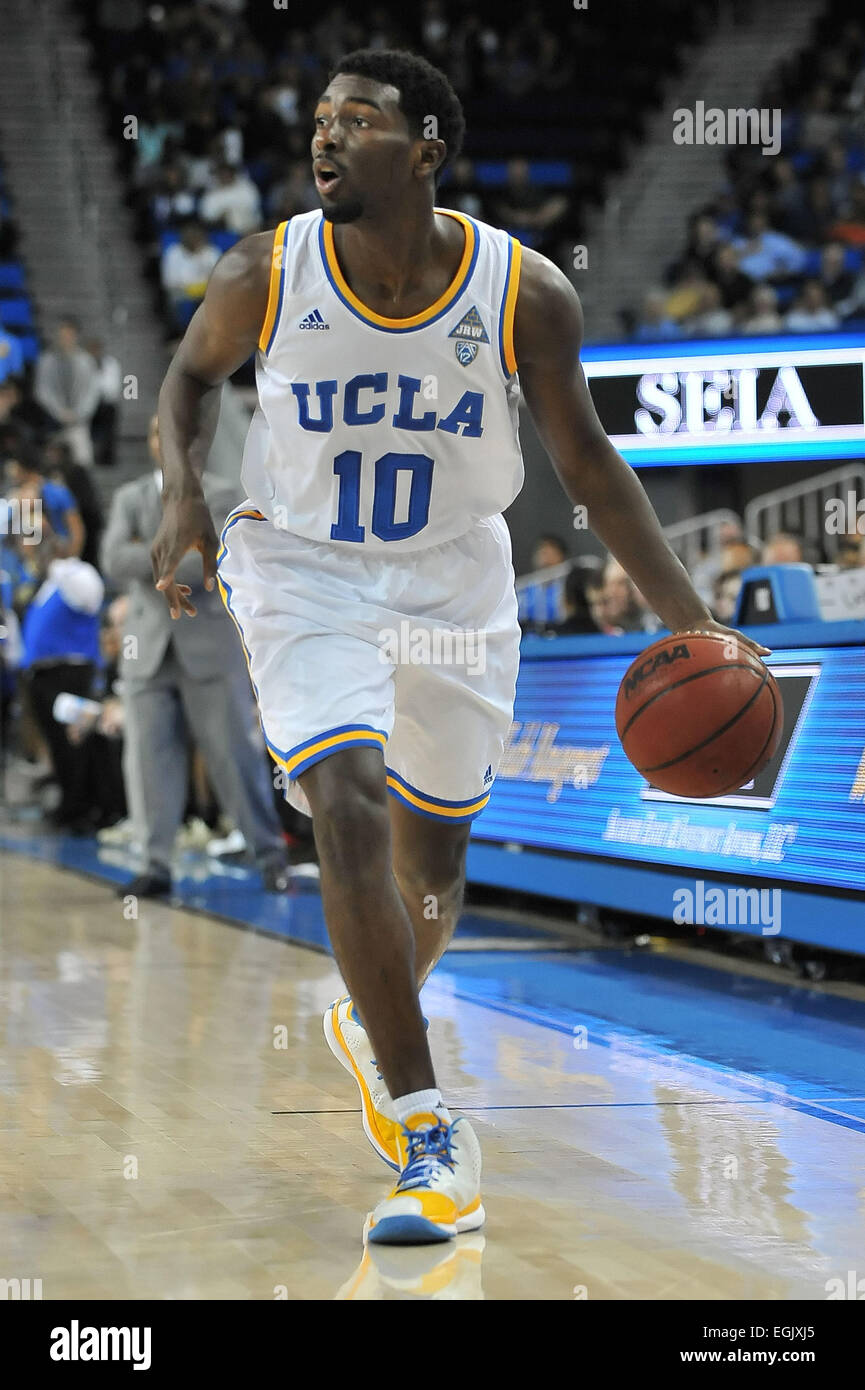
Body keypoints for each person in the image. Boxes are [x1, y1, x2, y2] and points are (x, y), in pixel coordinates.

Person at [151, 48, 768, 1247]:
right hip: (304, 567)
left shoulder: (523, 291)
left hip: (455, 581)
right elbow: (185, 382)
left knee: (431, 862)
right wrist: (182, 498)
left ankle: (375, 1013)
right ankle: (430, 1123)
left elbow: (585, 460)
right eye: (319, 120)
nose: (325, 137)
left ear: (426, 149)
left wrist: (690, 620)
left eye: (359, 119)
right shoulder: (264, 268)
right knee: (343, 804)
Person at [101, 414, 294, 898]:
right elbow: (110, 559)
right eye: (157, 433)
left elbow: (218, 558)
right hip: (146, 648)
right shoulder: (129, 497)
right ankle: (155, 864)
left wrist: (150, 555)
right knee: (147, 761)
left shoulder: (224, 494)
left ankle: (271, 855)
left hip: (210, 645)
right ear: (149, 443)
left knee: (235, 757)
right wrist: (176, 552)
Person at [34, 317, 101, 466]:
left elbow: (92, 393)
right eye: (62, 335)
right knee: (51, 464)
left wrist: (78, 414)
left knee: (83, 461)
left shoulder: (87, 361)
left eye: (69, 335)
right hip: (53, 422)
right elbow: (42, 391)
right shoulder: (46, 361)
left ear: (76, 336)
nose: (66, 339)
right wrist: (59, 412)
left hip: (78, 423)